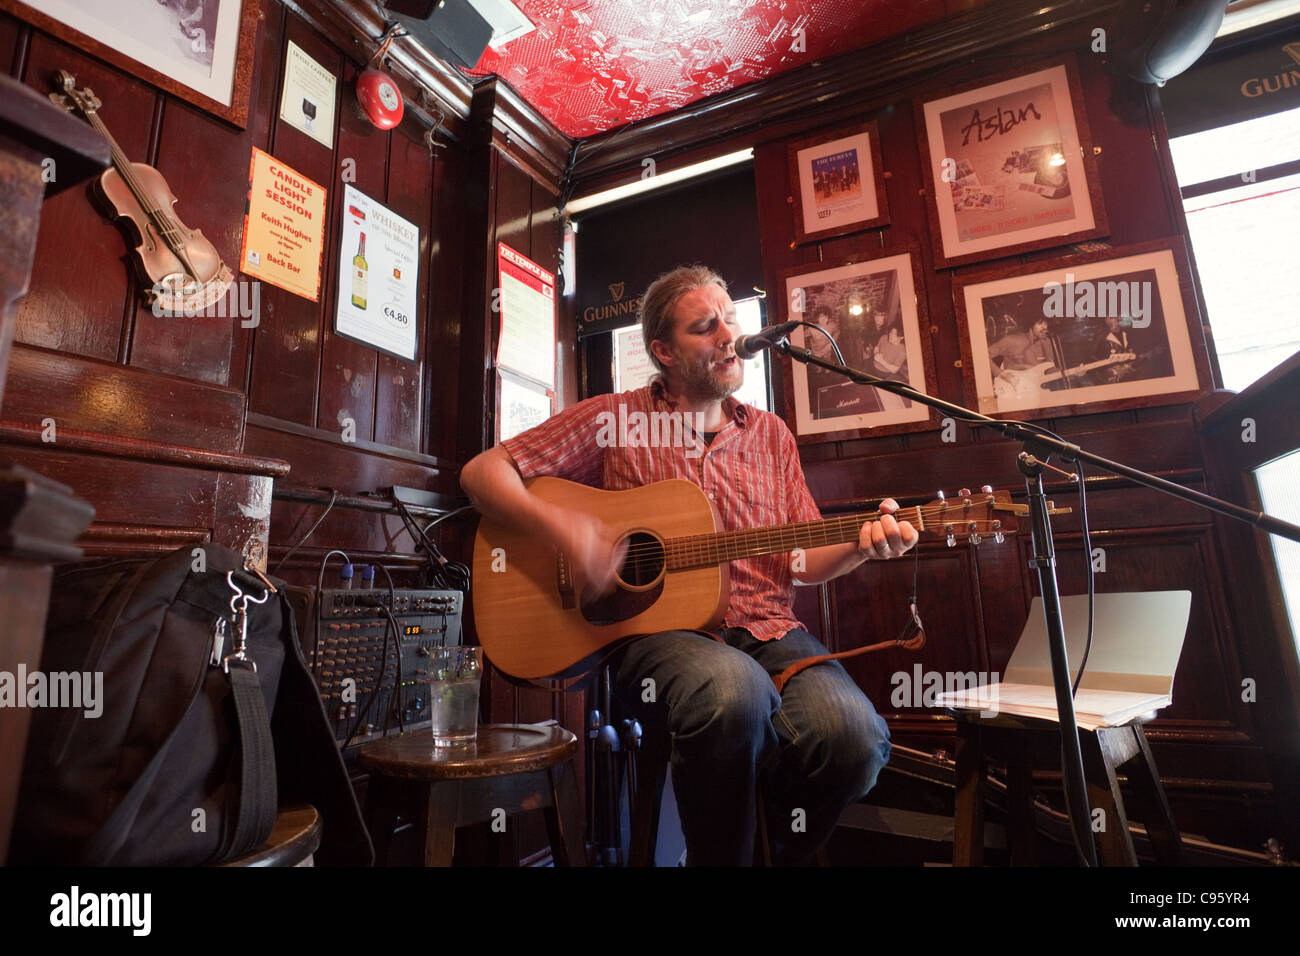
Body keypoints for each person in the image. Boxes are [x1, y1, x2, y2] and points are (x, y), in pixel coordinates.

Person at [460, 265, 917, 865]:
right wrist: (568, 532)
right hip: (655, 641)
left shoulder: (772, 436)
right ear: (663, 351)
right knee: (735, 692)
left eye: (729, 319)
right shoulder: (614, 418)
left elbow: (799, 560)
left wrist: (862, 545)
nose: (728, 335)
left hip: (769, 632)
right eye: (706, 327)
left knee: (853, 739)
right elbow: (481, 473)